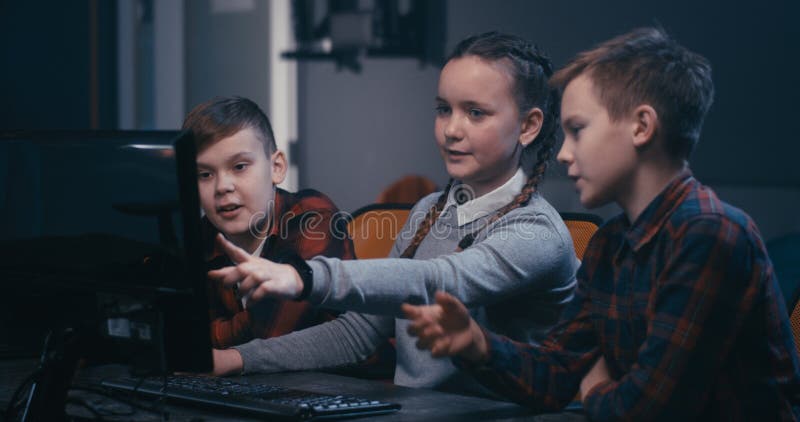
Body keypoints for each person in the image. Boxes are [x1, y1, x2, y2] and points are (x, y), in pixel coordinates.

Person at [402, 27, 800, 419]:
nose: (563, 154)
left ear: (641, 127)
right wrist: (478, 345)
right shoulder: (611, 242)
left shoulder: (711, 234)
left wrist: (593, 387)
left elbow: (646, 411)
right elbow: (556, 376)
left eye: (577, 130)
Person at [210, 32, 579, 394]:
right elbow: (358, 333)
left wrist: (303, 277)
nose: (451, 129)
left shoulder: (537, 233)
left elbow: (441, 280)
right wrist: (236, 359)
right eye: (443, 109)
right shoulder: (427, 212)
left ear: (528, 126)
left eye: (475, 113)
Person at [182, 96, 354, 349]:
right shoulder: (200, 237)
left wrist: (200, 338)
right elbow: (175, 328)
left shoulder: (313, 217)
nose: (222, 187)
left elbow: (271, 333)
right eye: (205, 174)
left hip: (343, 372)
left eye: (239, 167)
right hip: (245, 373)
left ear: (276, 167)